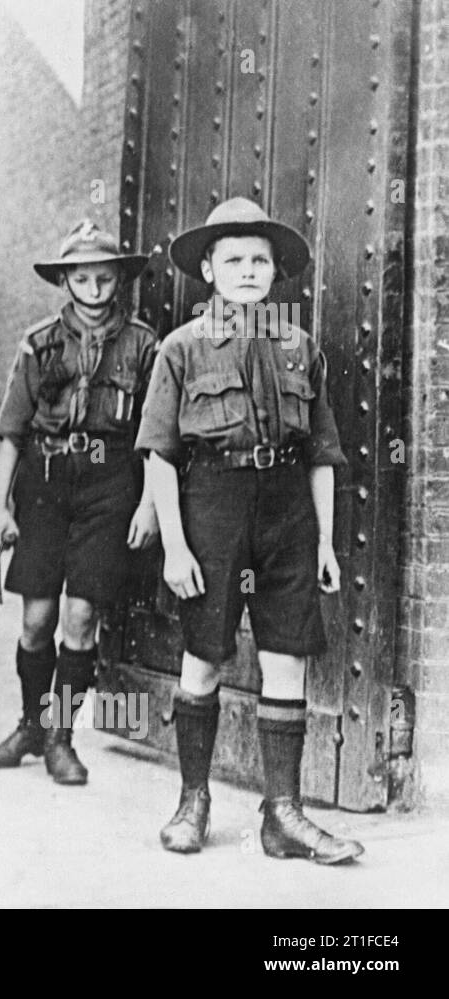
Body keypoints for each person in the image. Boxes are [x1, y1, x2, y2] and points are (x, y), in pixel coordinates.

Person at [135, 197, 363, 863]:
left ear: (275, 272)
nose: (247, 270)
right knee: (204, 652)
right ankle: (192, 799)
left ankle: (282, 814)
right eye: (232, 259)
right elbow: (159, 455)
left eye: (259, 260)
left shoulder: (299, 346)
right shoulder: (181, 348)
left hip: (287, 508)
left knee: (286, 654)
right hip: (213, 503)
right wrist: (176, 545)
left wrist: (324, 541)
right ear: (208, 269)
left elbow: (322, 453)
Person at [0, 221, 158, 784]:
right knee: (37, 620)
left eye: (105, 278)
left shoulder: (144, 344)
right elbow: (12, 432)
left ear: (119, 280)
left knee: (81, 617)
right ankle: (30, 725)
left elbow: (157, 437)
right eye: (82, 279)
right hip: (45, 485)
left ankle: (61, 739)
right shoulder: (39, 342)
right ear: (65, 282)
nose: (95, 290)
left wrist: (149, 505)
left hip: (109, 487)